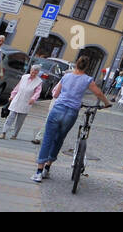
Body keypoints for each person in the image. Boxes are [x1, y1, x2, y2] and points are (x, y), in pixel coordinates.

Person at [31, 54, 110, 182]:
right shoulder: (88, 80)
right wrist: (107, 103)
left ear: (76, 64)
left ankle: (39, 172)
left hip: (58, 109)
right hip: (71, 113)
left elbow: (56, 94)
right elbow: (99, 93)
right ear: (87, 67)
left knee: (47, 139)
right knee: (59, 139)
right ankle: (47, 168)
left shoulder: (66, 76)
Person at [1, 64, 44, 140]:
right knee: (10, 117)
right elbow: (17, 87)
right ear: (30, 70)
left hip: (26, 102)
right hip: (17, 99)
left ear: (37, 73)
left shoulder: (39, 81)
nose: (33, 73)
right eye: (32, 71)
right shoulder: (24, 77)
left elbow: (38, 92)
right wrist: (12, 96)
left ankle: (15, 135)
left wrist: (33, 98)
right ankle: (3, 133)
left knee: (20, 120)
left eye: (35, 72)